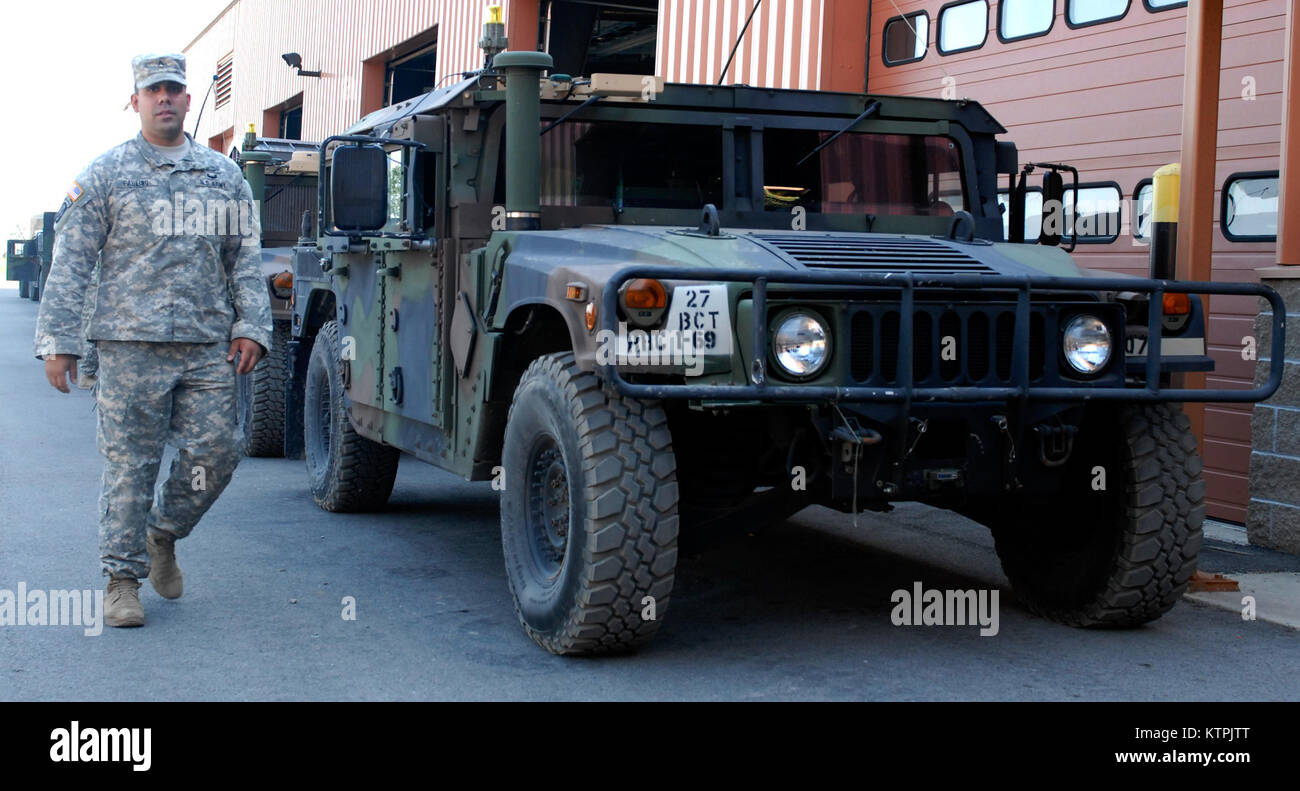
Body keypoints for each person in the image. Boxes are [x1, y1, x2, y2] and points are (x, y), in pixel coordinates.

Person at [34, 53, 272, 627]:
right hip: (128, 346)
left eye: (174, 89)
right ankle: (122, 579)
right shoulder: (104, 175)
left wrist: (252, 327)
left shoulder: (223, 176)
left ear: (189, 101)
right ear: (135, 101)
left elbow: (244, 258)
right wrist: (59, 339)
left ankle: (162, 533)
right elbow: (71, 263)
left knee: (217, 453)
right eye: (153, 90)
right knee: (130, 466)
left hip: (205, 344)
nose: (164, 98)